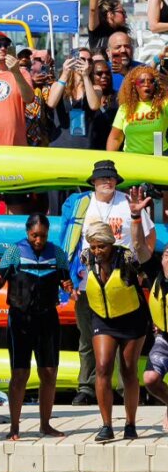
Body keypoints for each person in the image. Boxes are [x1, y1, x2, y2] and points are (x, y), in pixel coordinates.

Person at [59, 161, 155, 406]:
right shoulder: (81, 205)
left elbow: (149, 235)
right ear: (93, 181)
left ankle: (126, 388)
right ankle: (87, 388)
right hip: (87, 283)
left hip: (122, 282)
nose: (107, 182)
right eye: (102, 178)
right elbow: (68, 243)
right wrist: (69, 279)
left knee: (125, 339)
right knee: (86, 338)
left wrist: (142, 268)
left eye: (111, 178)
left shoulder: (127, 203)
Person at [0, 214, 71, 440]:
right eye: (34, 235)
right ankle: (14, 427)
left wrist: (68, 285)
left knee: (49, 372)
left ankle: (45, 424)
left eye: (42, 236)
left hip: (47, 319)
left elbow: (66, 279)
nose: (38, 240)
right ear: (27, 233)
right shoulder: (15, 251)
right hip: (20, 320)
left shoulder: (57, 253)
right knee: (19, 373)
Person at [80, 209, 153, 441]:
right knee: (102, 366)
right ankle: (106, 425)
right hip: (103, 318)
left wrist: (134, 218)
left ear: (111, 243)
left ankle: (130, 423)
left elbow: (143, 266)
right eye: (93, 246)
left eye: (101, 246)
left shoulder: (126, 257)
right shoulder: (86, 257)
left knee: (128, 370)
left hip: (132, 318)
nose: (97, 251)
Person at [106, 65, 168, 155]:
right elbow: (115, 138)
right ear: (134, 86)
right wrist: (109, 159)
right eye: (142, 81)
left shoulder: (164, 104)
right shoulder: (125, 108)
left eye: (151, 81)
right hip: (132, 159)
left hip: (159, 156)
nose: (147, 84)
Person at [144, 246, 168, 430]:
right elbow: (139, 247)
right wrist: (136, 218)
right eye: (167, 255)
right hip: (164, 338)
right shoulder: (155, 276)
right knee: (150, 379)